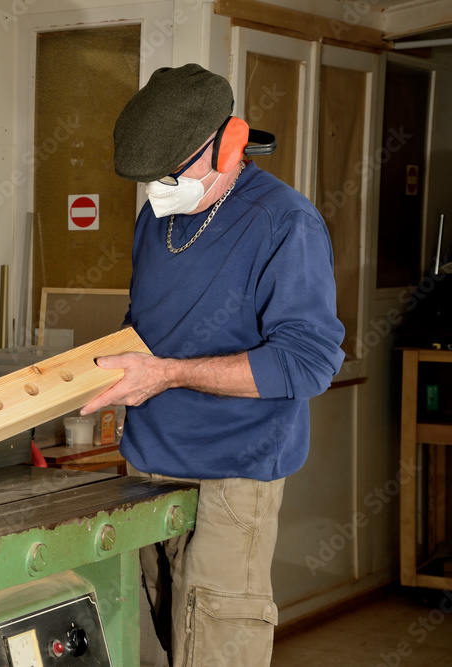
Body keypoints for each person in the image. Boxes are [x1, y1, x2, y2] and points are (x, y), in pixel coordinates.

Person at [80, 64, 345, 667]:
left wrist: (169, 374)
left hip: (235, 472)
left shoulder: (284, 223)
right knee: (142, 639)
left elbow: (307, 364)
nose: (160, 187)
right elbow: (147, 325)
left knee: (215, 644)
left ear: (230, 144)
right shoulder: (157, 216)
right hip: (148, 466)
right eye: (152, 177)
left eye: (174, 172)